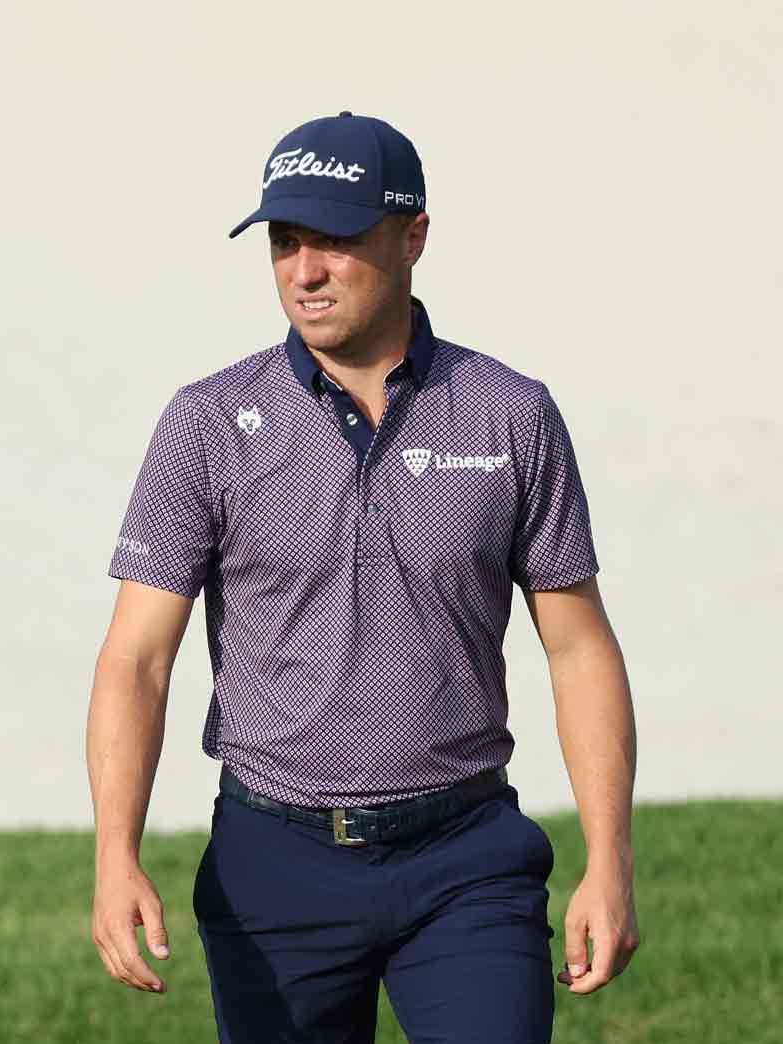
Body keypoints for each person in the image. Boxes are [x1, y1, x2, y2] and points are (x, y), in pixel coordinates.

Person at [86, 112, 638, 1042]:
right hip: (274, 865)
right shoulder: (208, 422)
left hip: (466, 859)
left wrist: (611, 860)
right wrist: (114, 856)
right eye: (284, 241)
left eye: (336, 240)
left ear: (413, 235)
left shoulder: (512, 414)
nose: (304, 271)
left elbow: (580, 649)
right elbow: (135, 660)